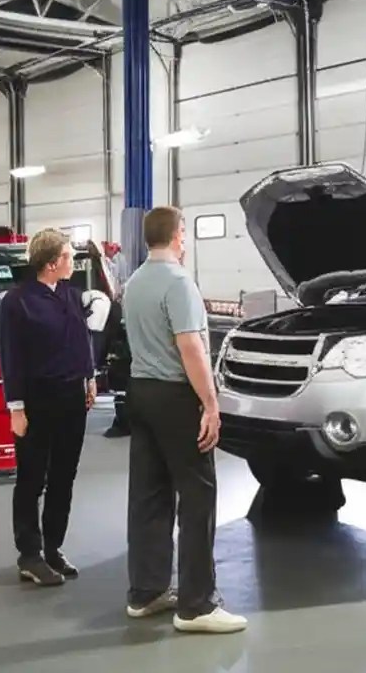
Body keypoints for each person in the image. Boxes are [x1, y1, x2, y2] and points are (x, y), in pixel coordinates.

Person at [121, 207, 247, 634]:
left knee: (149, 495)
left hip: (141, 393)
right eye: (185, 234)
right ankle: (197, 605)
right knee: (197, 495)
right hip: (175, 397)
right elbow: (191, 348)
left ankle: (146, 591)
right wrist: (210, 404)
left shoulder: (135, 282)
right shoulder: (179, 283)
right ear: (177, 236)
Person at [0, 229, 98, 587]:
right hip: (36, 399)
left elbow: (82, 338)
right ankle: (29, 554)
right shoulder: (17, 302)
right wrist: (16, 408)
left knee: (63, 476)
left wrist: (90, 377)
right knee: (32, 478)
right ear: (53, 262)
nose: (74, 261)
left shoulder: (70, 295)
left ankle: (53, 547)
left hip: (72, 396)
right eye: (69, 255)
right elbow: (11, 356)